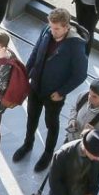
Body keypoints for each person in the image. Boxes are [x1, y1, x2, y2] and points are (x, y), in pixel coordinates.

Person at [17, 10, 90, 170]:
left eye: (56, 28)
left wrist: (62, 92)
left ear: (66, 27)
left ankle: (48, 153)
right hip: (36, 86)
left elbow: (80, 74)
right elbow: (35, 52)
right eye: (51, 27)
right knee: (31, 118)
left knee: (51, 124)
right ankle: (27, 144)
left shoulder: (76, 46)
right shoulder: (47, 31)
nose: (52, 31)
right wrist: (26, 74)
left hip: (53, 94)